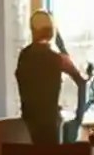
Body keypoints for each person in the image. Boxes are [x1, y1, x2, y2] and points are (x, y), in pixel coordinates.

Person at [15, 10, 85, 145]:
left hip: (27, 123)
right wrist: (78, 119)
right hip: (50, 125)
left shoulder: (24, 56)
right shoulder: (57, 59)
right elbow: (81, 82)